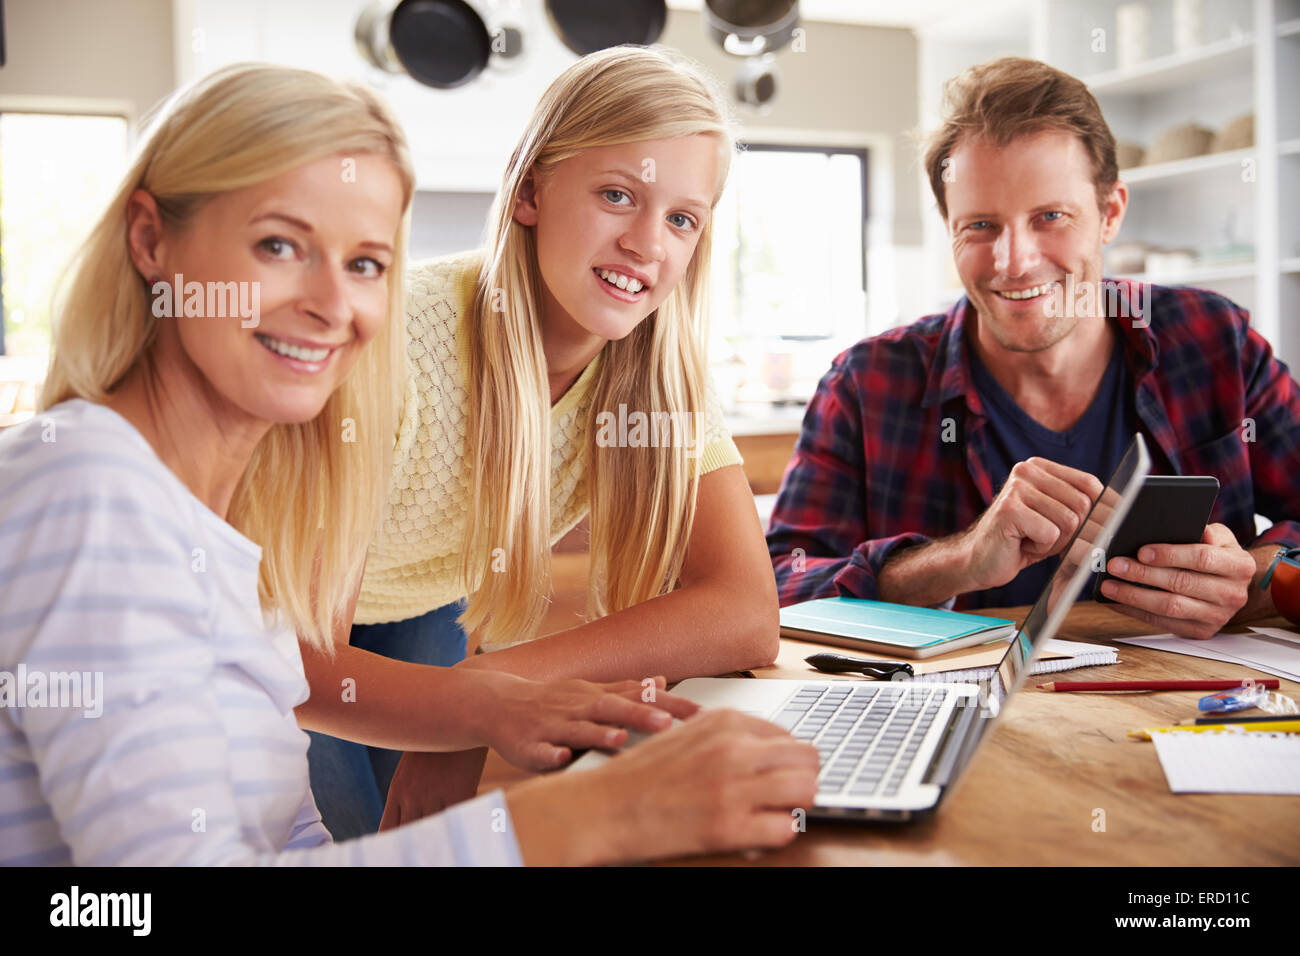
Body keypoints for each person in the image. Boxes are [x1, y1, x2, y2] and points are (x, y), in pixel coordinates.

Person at [0, 63, 817, 866]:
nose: (334, 306)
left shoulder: (212, 547)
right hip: (337, 620)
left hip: (410, 607)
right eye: (278, 244)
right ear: (152, 240)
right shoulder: (92, 489)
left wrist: (484, 704)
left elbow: (286, 838)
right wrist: (577, 812)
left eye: (365, 264)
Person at [298, 46, 782, 837]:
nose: (647, 244)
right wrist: (469, 705)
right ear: (530, 191)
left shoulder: (661, 376)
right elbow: (299, 654)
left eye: (682, 218)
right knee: (342, 839)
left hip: (421, 601)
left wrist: (490, 685)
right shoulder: (395, 348)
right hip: (280, 623)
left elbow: (742, 610)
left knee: (412, 839)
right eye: (618, 195)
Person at [767, 56, 1300, 640]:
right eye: (980, 226)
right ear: (948, 227)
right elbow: (778, 583)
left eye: (1050, 216)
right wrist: (957, 559)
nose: (1014, 262)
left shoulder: (1213, 340)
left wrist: (1250, 575)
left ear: (1110, 212)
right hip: (968, 724)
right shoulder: (866, 384)